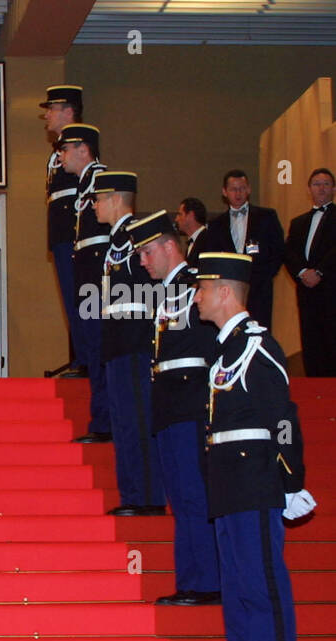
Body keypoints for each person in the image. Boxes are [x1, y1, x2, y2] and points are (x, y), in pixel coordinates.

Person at [193, 251, 315, 641]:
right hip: (229, 486)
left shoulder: (257, 347)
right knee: (239, 591)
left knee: (263, 590)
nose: (197, 296)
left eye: (203, 288)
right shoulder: (225, 348)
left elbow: (282, 422)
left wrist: (290, 483)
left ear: (226, 293)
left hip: (257, 484)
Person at [129, 210, 221, 605]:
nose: (143, 262)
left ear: (170, 246)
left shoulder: (194, 287)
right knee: (180, 497)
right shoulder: (170, 291)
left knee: (192, 495)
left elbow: (208, 352)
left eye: (148, 252)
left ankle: (205, 582)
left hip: (189, 405)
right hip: (169, 405)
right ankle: (192, 579)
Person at [89, 170, 164, 516]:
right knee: (123, 421)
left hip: (135, 341)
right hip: (118, 342)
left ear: (117, 199)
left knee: (138, 420)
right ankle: (133, 492)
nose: (94, 205)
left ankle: (147, 496)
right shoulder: (115, 241)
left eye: (99, 198)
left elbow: (154, 289)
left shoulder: (137, 238)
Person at [55, 123, 111, 442]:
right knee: (93, 349)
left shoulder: (100, 181)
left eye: (65, 149)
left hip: (98, 282)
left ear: (84, 149)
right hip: (88, 278)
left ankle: (105, 423)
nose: (60, 155)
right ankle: (102, 421)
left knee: (100, 351)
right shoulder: (85, 183)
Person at [200, 170, 285, 328]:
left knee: (259, 329)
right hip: (227, 291)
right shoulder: (216, 224)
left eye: (242, 188)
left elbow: (279, 250)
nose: (238, 193)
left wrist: (265, 276)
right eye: (233, 189)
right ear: (224, 192)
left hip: (259, 289)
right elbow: (211, 256)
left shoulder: (267, 217)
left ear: (249, 190)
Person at [40, 85, 86, 377]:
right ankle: (79, 356)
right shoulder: (58, 149)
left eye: (52, 109)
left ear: (69, 112)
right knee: (71, 298)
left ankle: (85, 358)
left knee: (79, 297)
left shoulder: (79, 146)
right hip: (61, 234)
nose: (46, 114)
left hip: (74, 234)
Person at [284, 167, 336, 376]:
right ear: (309, 189)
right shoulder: (298, 223)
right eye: (316, 184)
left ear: (333, 188)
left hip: (332, 290)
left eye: (326, 184)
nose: (321, 188)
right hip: (306, 292)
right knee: (310, 341)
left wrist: (320, 272)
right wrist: (303, 271)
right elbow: (288, 253)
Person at [174, 197, 208, 266]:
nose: (176, 219)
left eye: (180, 214)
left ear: (190, 215)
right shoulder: (192, 242)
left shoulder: (208, 240)